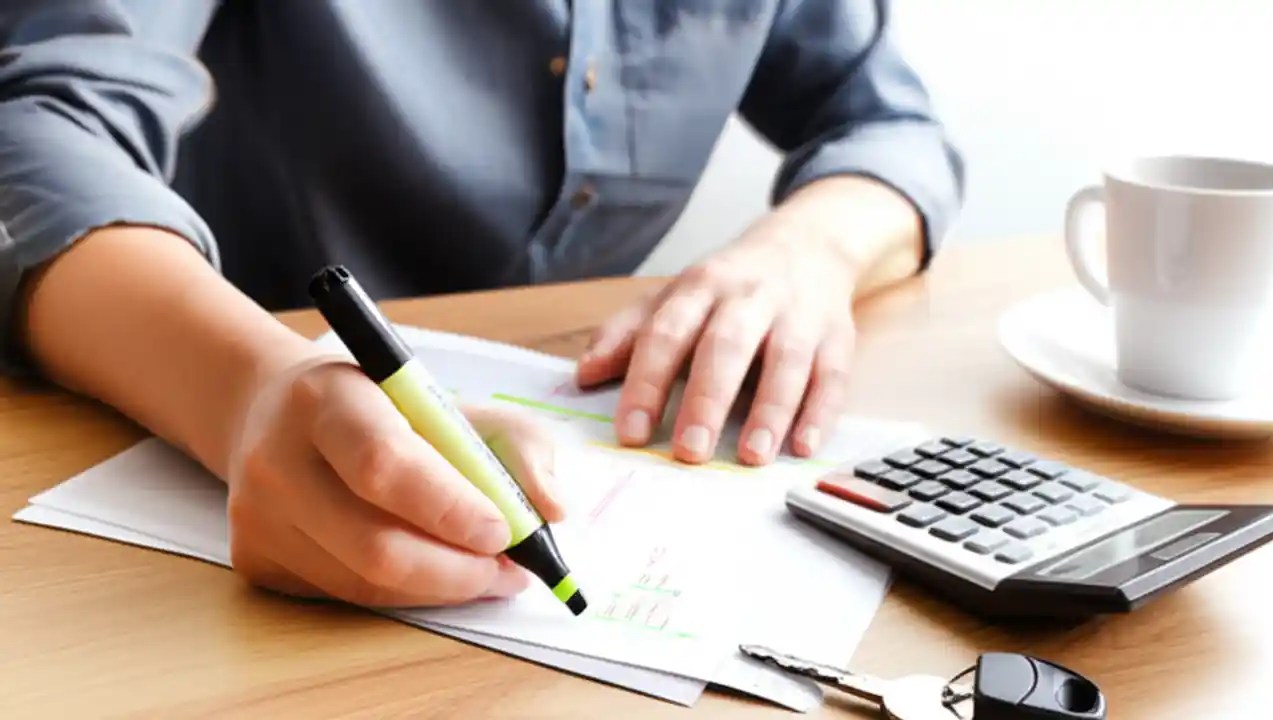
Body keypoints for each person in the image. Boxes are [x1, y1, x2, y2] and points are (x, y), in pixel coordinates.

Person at [0, 2, 963, 608]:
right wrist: (249, 388)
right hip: (161, 435)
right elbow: (37, 137)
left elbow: (893, 125)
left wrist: (809, 250)